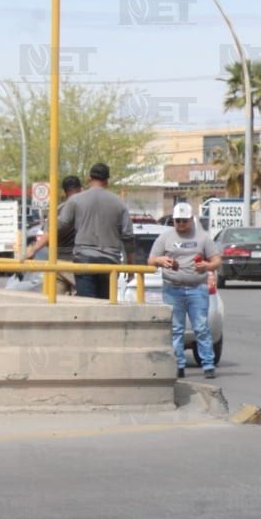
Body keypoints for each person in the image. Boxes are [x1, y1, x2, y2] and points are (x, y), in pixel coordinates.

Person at [149, 202, 222, 379]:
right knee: (176, 329)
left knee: (201, 328)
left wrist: (207, 266)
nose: (181, 224)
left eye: (184, 220)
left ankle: (208, 365)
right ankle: (178, 365)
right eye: (178, 220)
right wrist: (160, 261)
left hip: (197, 289)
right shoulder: (165, 237)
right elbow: (151, 260)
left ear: (191, 219)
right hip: (173, 289)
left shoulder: (203, 237)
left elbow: (217, 260)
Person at [59, 162, 134, 299]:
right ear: (107, 181)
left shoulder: (75, 200)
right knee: (104, 305)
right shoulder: (119, 203)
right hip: (110, 261)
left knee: (87, 304)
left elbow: (60, 225)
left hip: (84, 259)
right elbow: (128, 237)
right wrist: (130, 267)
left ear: (89, 178)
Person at [24, 175, 82, 296]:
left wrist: (33, 250)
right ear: (80, 189)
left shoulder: (57, 210)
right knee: (81, 300)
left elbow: (48, 235)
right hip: (78, 262)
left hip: (57, 262)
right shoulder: (85, 209)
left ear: (64, 192)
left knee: (55, 299)